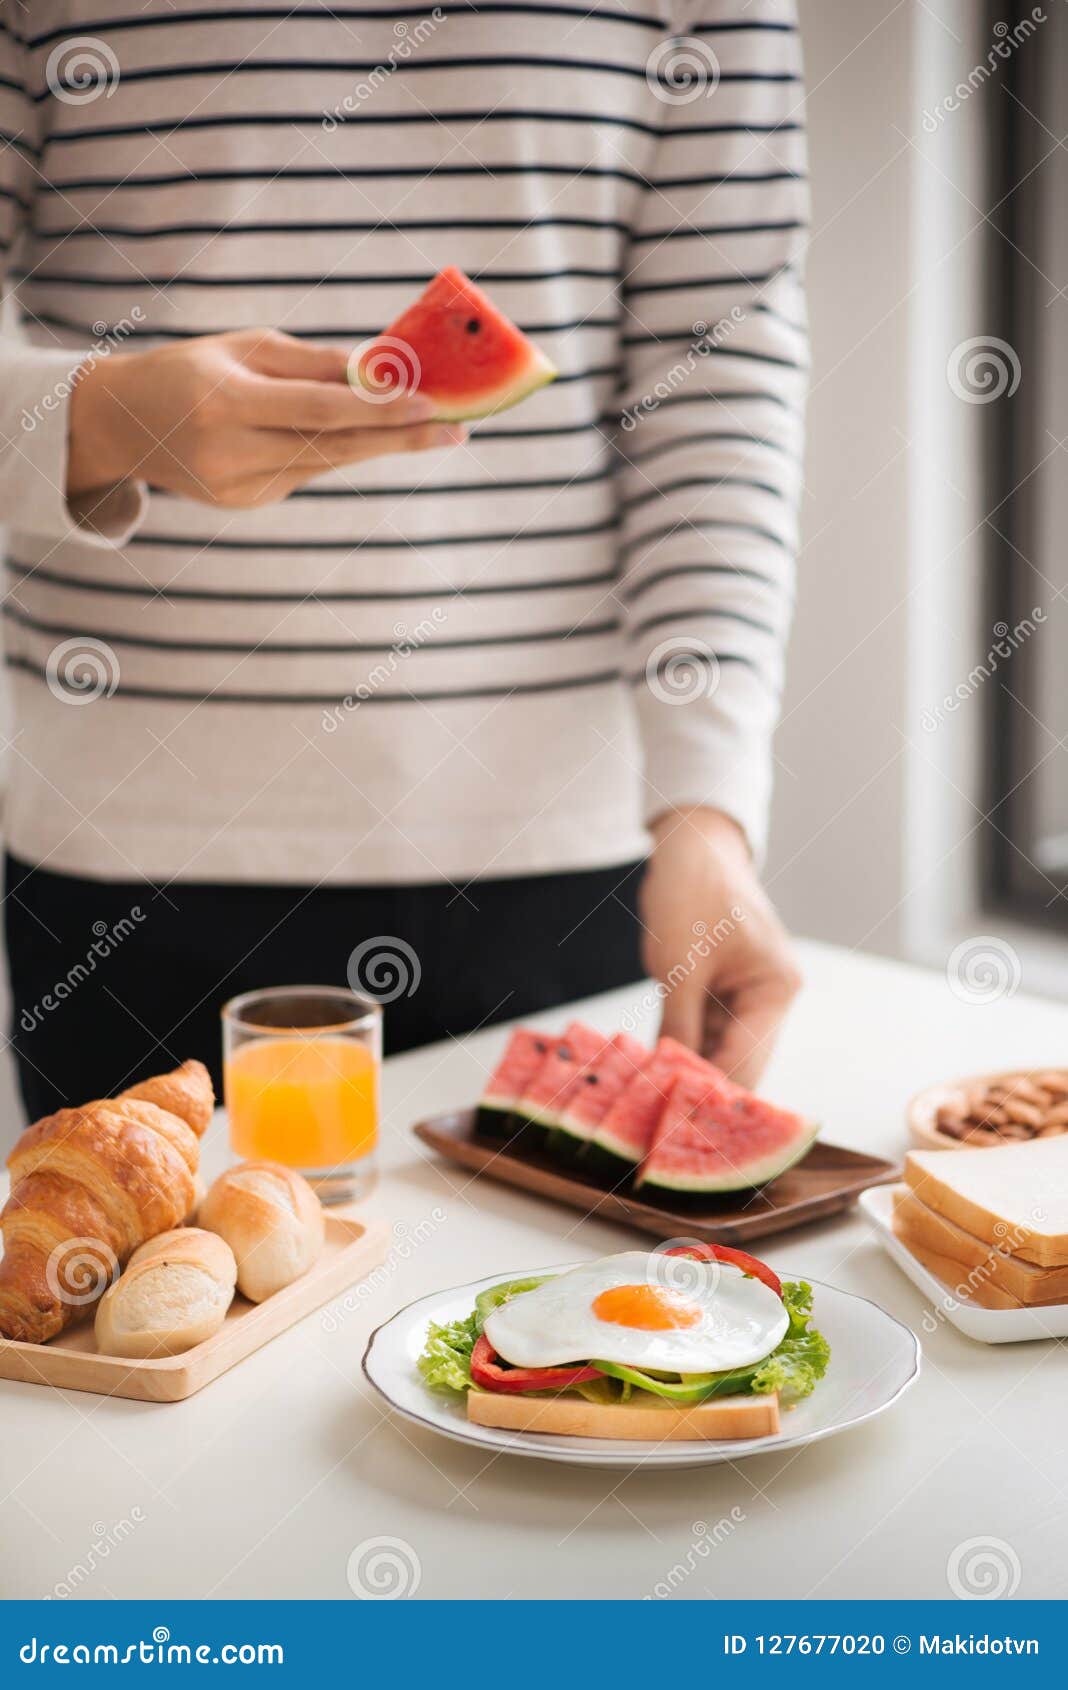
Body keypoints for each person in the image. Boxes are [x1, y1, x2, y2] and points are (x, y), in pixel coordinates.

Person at [0, 1, 806, 1120]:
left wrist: (707, 807)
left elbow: (718, 368)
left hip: (577, 859)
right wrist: (99, 424)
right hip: (128, 857)